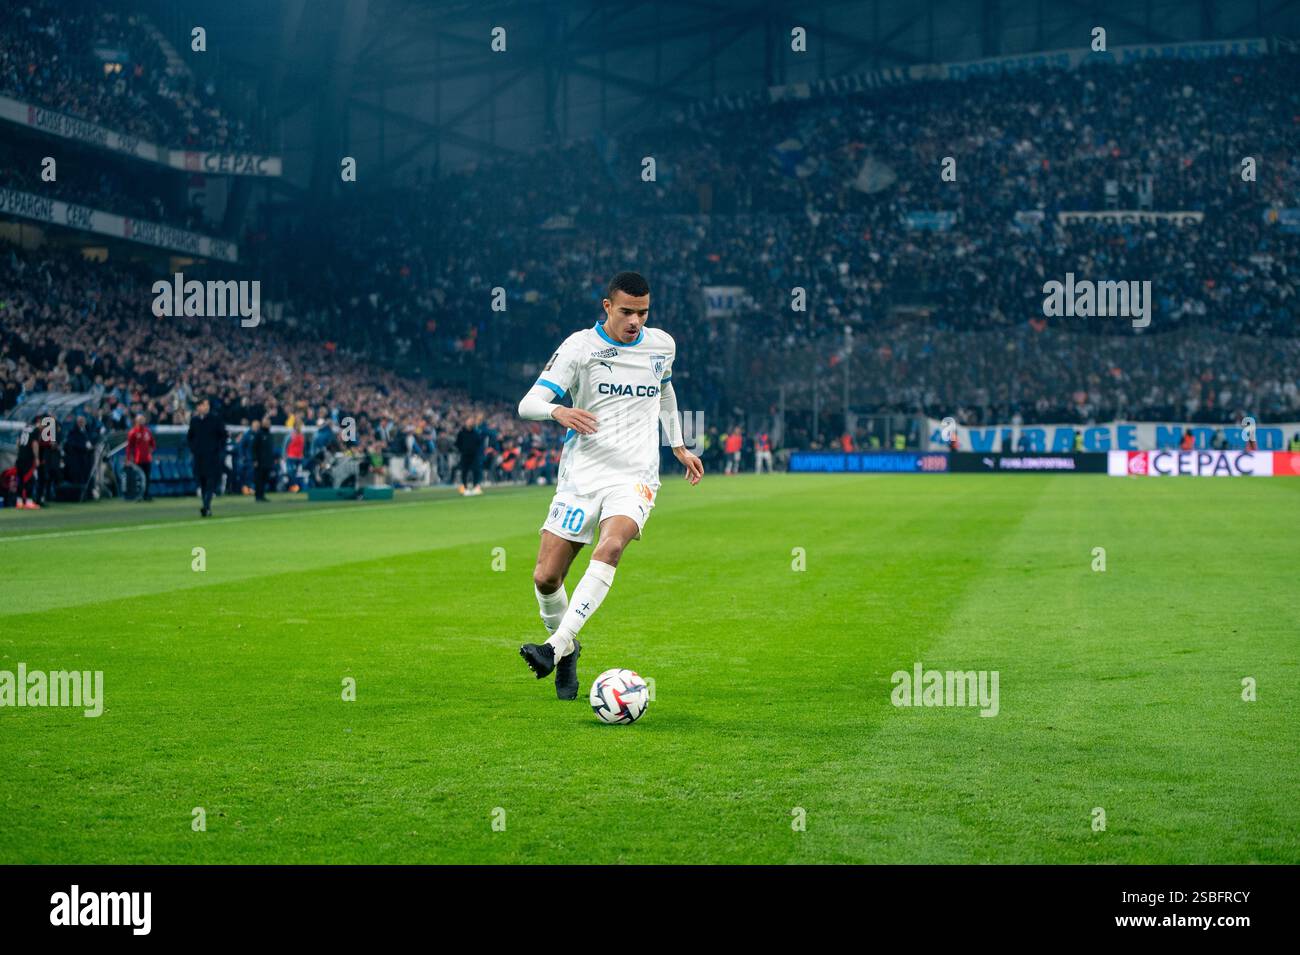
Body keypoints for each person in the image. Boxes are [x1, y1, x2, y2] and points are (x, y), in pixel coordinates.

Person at [514, 271, 703, 700]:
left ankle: (554, 646)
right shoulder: (581, 347)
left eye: (643, 312)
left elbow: (666, 391)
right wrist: (558, 412)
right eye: (626, 312)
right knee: (546, 577)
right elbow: (528, 404)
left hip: (634, 475)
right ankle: (569, 650)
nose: (636, 321)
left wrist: (678, 445)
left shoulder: (662, 345)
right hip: (582, 476)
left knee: (612, 546)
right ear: (607, 307)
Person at [187, 398, 226, 517]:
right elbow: (190, 437)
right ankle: (206, 505)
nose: (205, 407)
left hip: (212, 457)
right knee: (202, 482)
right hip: (199, 457)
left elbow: (223, 436)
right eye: (203, 405)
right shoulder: (194, 421)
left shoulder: (215, 419)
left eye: (207, 405)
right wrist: (194, 449)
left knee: (210, 482)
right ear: (198, 407)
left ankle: (206, 505)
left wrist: (217, 450)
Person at [126, 414, 156, 501]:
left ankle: (146, 495)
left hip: (147, 458)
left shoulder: (147, 431)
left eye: (143, 419)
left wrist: (151, 449)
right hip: (137, 459)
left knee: (147, 477)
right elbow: (129, 447)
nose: (142, 421)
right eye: (140, 420)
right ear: (136, 421)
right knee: (138, 478)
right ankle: (138, 495)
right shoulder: (133, 432)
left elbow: (152, 443)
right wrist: (128, 459)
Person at [14, 416, 41, 510]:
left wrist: (20, 453)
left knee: (20, 479)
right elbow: (34, 444)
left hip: (20, 457)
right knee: (30, 479)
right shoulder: (35, 430)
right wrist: (37, 458)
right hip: (28, 458)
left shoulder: (24, 429)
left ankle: (19, 502)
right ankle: (29, 502)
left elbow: (17, 442)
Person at [251, 417, 275, 501]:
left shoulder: (269, 434)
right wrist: (255, 460)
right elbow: (254, 448)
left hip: (267, 462)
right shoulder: (259, 434)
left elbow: (270, 449)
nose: (268, 424)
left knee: (264, 479)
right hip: (260, 462)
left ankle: (262, 495)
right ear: (263, 423)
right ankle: (258, 496)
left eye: (269, 422)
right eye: (266, 422)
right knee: (259, 479)